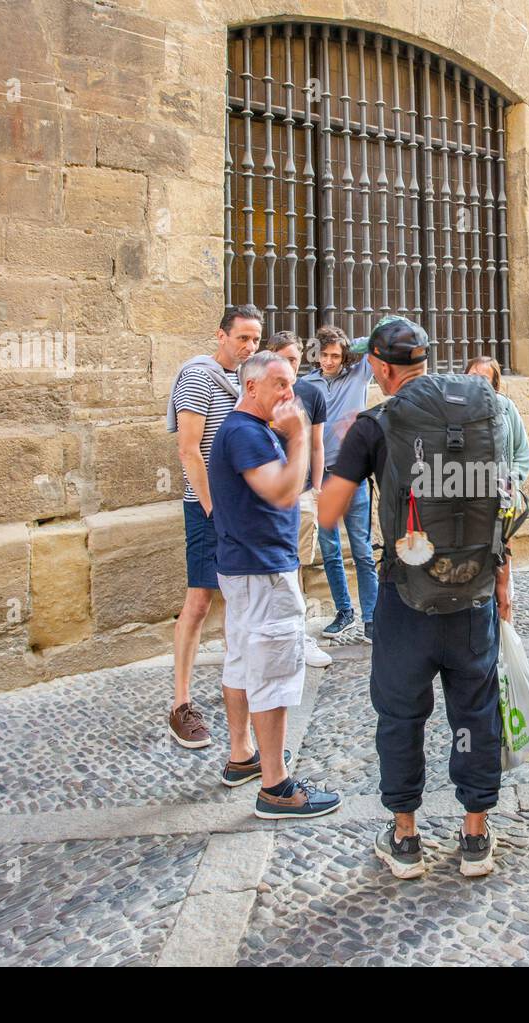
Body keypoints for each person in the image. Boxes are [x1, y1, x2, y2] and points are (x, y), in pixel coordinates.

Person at [318, 316, 512, 879]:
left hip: (406, 596)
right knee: (474, 710)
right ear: (424, 361)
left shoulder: (374, 424)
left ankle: (405, 838)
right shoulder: (484, 412)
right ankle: (474, 835)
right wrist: (501, 580)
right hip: (473, 591)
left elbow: (330, 513)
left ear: (380, 366)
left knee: (400, 714)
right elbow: (503, 501)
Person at [207, 350, 342, 819]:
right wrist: (301, 435)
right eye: (281, 385)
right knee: (275, 673)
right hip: (262, 571)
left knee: (243, 662)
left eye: (291, 384)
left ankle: (242, 756)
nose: (291, 395)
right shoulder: (246, 432)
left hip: (247, 567)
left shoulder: (249, 430)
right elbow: (283, 490)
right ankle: (276, 788)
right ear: (251, 388)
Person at [165, 305, 260, 750]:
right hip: (207, 510)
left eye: (255, 340)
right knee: (199, 603)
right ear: (220, 336)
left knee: (239, 603)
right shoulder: (199, 377)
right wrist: (212, 510)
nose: (248, 346)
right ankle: (181, 705)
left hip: (237, 508)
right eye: (242, 337)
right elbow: (189, 451)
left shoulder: (243, 382)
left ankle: (237, 690)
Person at [306, 325, 379, 644]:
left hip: (354, 475)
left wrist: (350, 347)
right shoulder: (307, 384)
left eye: (336, 355)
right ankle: (344, 612)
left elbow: (380, 334)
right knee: (330, 549)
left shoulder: (359, 374)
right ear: (316, 354)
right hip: (322, 477)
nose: (330, 361)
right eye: (324, 354)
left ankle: (372, 617)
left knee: (362, 550)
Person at [264, 330, 331, 669]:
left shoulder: (310, 394)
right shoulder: (260, 395)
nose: (290, 366)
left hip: (302, 495)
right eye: (283, 359)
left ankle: (299, 637)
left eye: (294, 359)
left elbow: (317, 445)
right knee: (270, 570)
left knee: (298, 567)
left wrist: (315, 489)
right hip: (268, 495)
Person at [465, 356, 529, 485]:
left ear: (494, 384)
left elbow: (522, 452)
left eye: (484, 379)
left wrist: (510, 483)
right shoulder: (453, 408)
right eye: (472, 376)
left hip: (502, 494)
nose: (476, 382)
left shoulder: (505, 407)